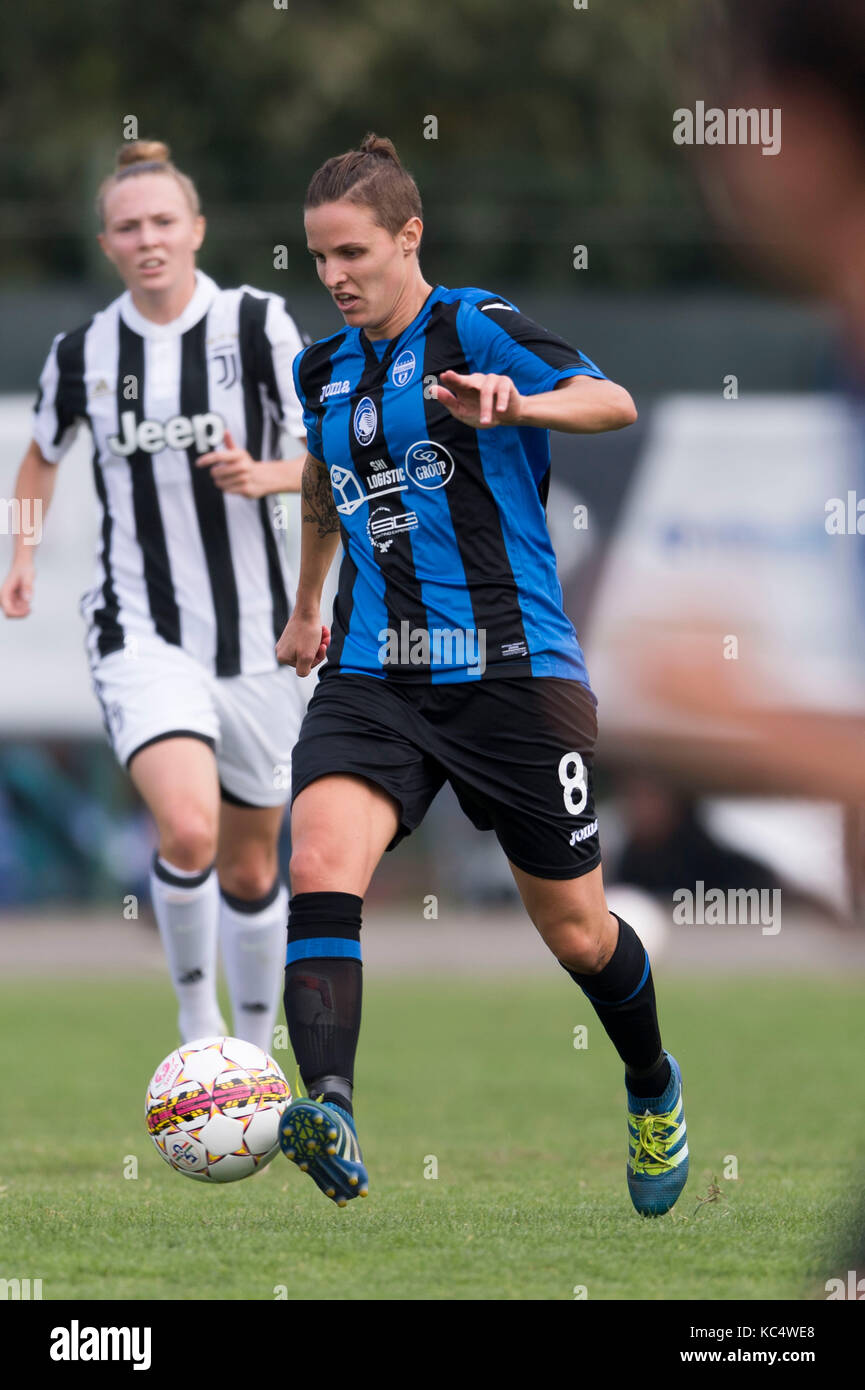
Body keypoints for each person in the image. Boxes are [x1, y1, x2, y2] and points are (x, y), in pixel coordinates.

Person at [273, 133, 688, 1216]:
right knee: (318, 853)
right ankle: (330, 1107)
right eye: (318, 258)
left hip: (512, 668)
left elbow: (613, 400)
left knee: (576, 933)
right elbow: (323, 480)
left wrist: (517, 404)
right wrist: (308, 604)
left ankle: (651, 1083)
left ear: (410, 236)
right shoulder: (320, 368)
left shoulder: (470, 323)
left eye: (353, 253)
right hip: (374, 674)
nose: (334, 277)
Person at [1, 140, 309, 1053]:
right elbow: (40, 456)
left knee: (255, 867)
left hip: (258, 635)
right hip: (141, 626)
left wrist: (268, 475)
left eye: (164, 222)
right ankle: (194, 1023)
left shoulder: (258, 327)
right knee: (185, 826)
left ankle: (251, 1055)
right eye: (129, 226)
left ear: (197, 229)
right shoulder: (87, 351)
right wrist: (20, 552)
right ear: (107, 243)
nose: (148, 239)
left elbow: (324, 458)